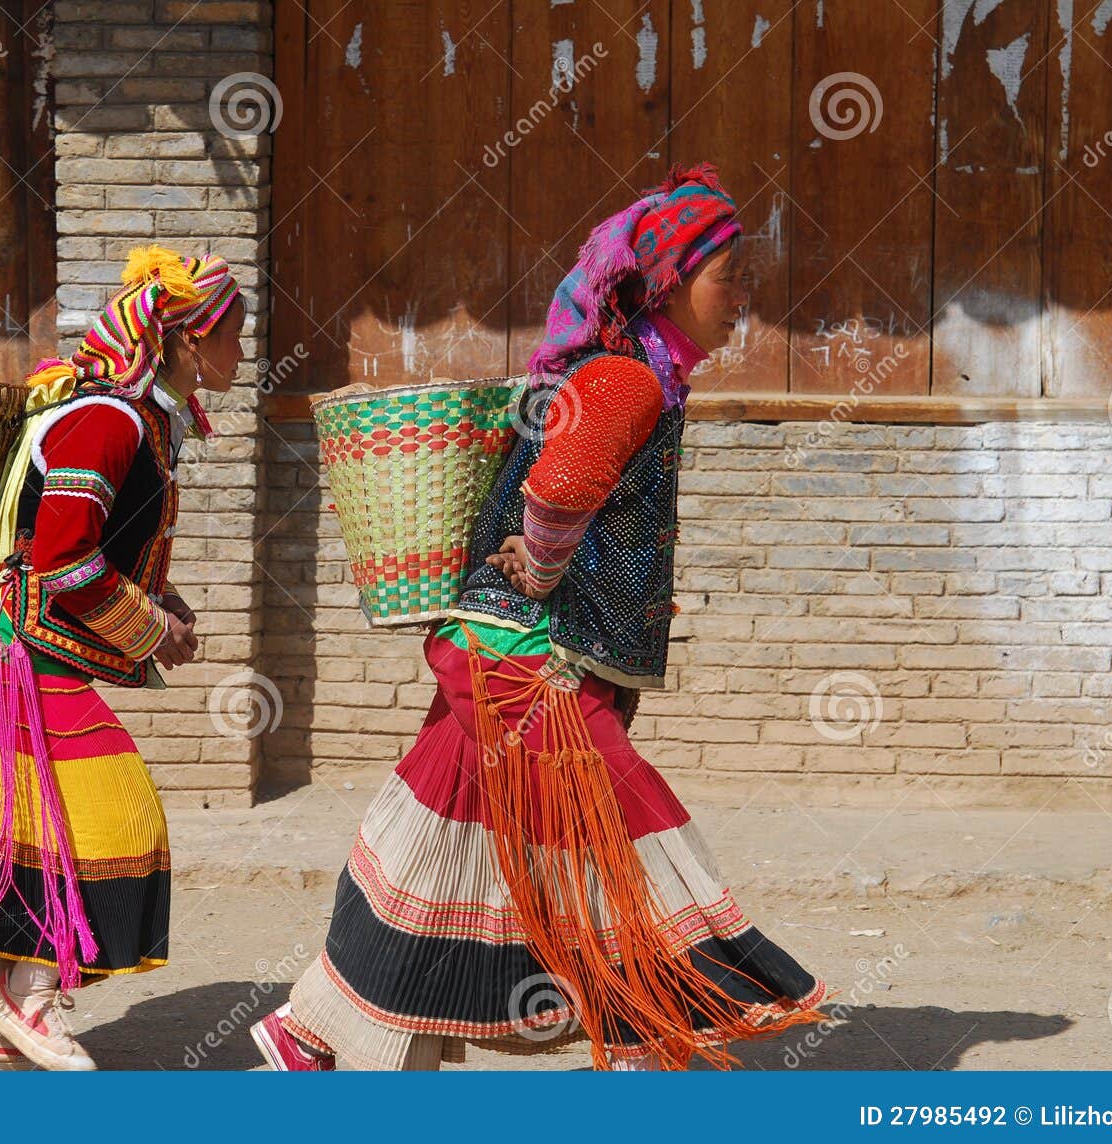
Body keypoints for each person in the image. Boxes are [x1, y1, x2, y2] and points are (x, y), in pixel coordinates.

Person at [252, 163, 828, 1071]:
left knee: (439, 830)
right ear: (670, 283)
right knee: (615, 826)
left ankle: (313, 1032)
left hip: (494, 647)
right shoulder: (628, 381)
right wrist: (551, 559)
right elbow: (558, 487)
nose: (746, 297)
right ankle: (650, 1039)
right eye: (731, 277)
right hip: (525, 658)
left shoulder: (639, 376)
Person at [0, 246, 246, 1071]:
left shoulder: (143, 418)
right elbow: (62, 559)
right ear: (188, 338)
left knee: (20, 833)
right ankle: (33, 995)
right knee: (118, 821)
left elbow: (103, 546)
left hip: (7, 649)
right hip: (12, 650)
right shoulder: (110, 420)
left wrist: (164, 598)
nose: (240, 355)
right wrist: (151, 630)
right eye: (233, 336)